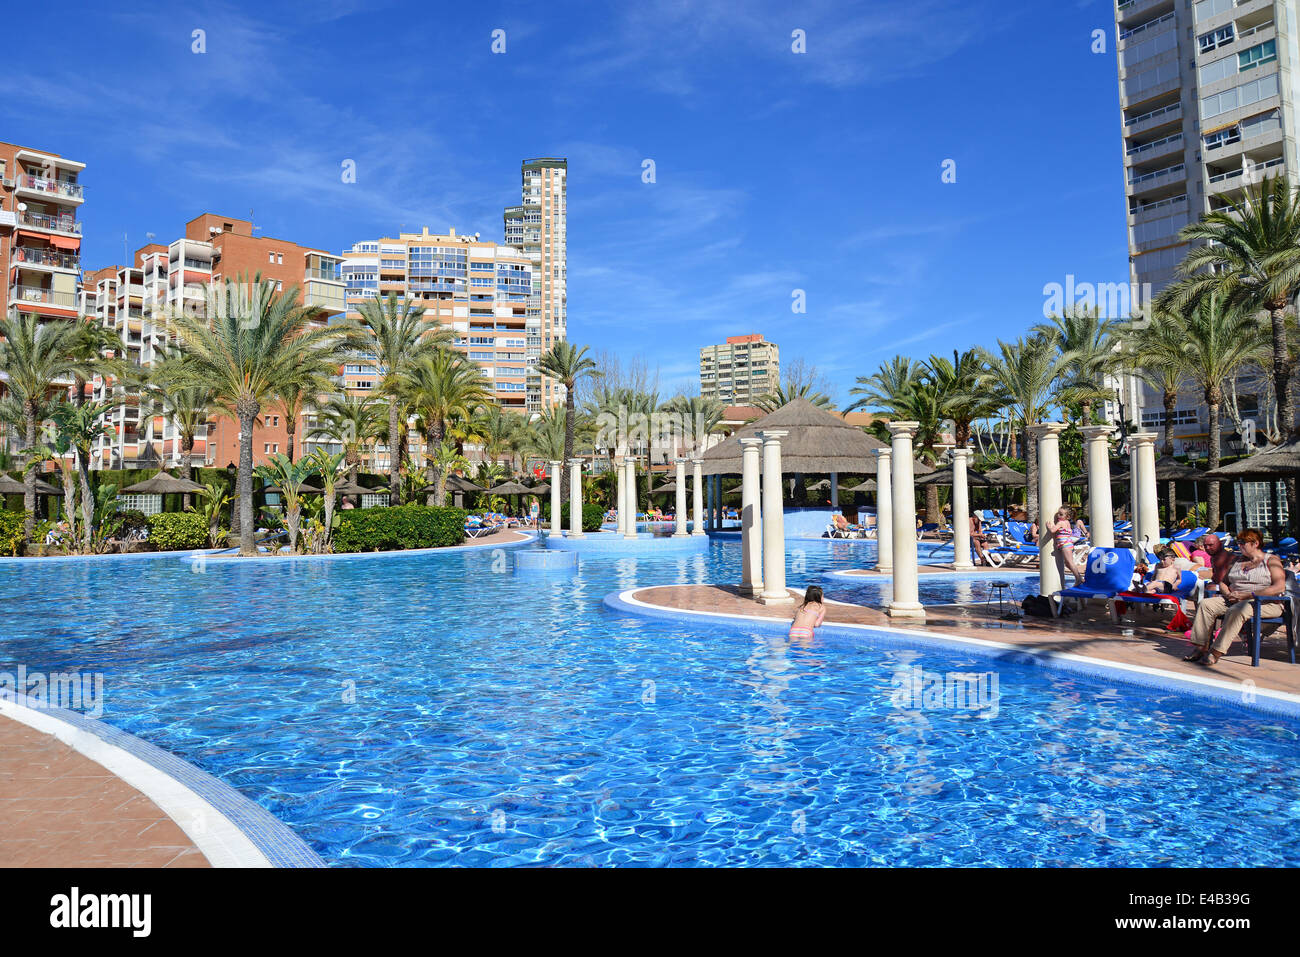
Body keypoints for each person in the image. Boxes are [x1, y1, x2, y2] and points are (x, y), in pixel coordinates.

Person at [1185, 529, 1289, 667]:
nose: (1239, 545)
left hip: (1264, 602)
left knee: (1237, 610)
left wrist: (1247, 595)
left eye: (1243, 542)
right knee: (1206, 604)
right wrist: (1228, 593)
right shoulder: (1238, 561)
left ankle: (1216, 652)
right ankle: (1200, 647)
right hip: (1234, 599)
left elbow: (1279, 587)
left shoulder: (1271, 560)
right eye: (1238, 542)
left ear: (1255, 543)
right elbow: (1223, 582)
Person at [1046, 506, 1084, 585]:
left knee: (1070, 562)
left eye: (1061, 514)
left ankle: (1078, 578)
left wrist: (1049, 527)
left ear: (1068, 516)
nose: (1058, 516)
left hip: (1065, 545)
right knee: (1067, 563)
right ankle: (1079, 577)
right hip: (1067, 544)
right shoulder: (1067, 522)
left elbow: (1053, 530)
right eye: (1058, 514)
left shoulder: (1061, 523)